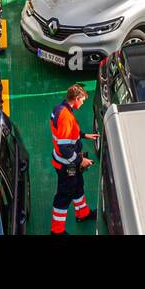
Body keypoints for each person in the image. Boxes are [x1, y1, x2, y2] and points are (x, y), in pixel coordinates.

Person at [49, 84, 99, 234]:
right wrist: (80, 161)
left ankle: (82, 214)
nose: (82, 104)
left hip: (68, 163)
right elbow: (64, 148)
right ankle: (57, 231)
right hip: (67, 165)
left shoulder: (61, 109)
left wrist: (84, 135)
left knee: (77, 186)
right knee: (64, 195)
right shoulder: (65, 117)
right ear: (76, 99)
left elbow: (69, 133)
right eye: (82, 101)